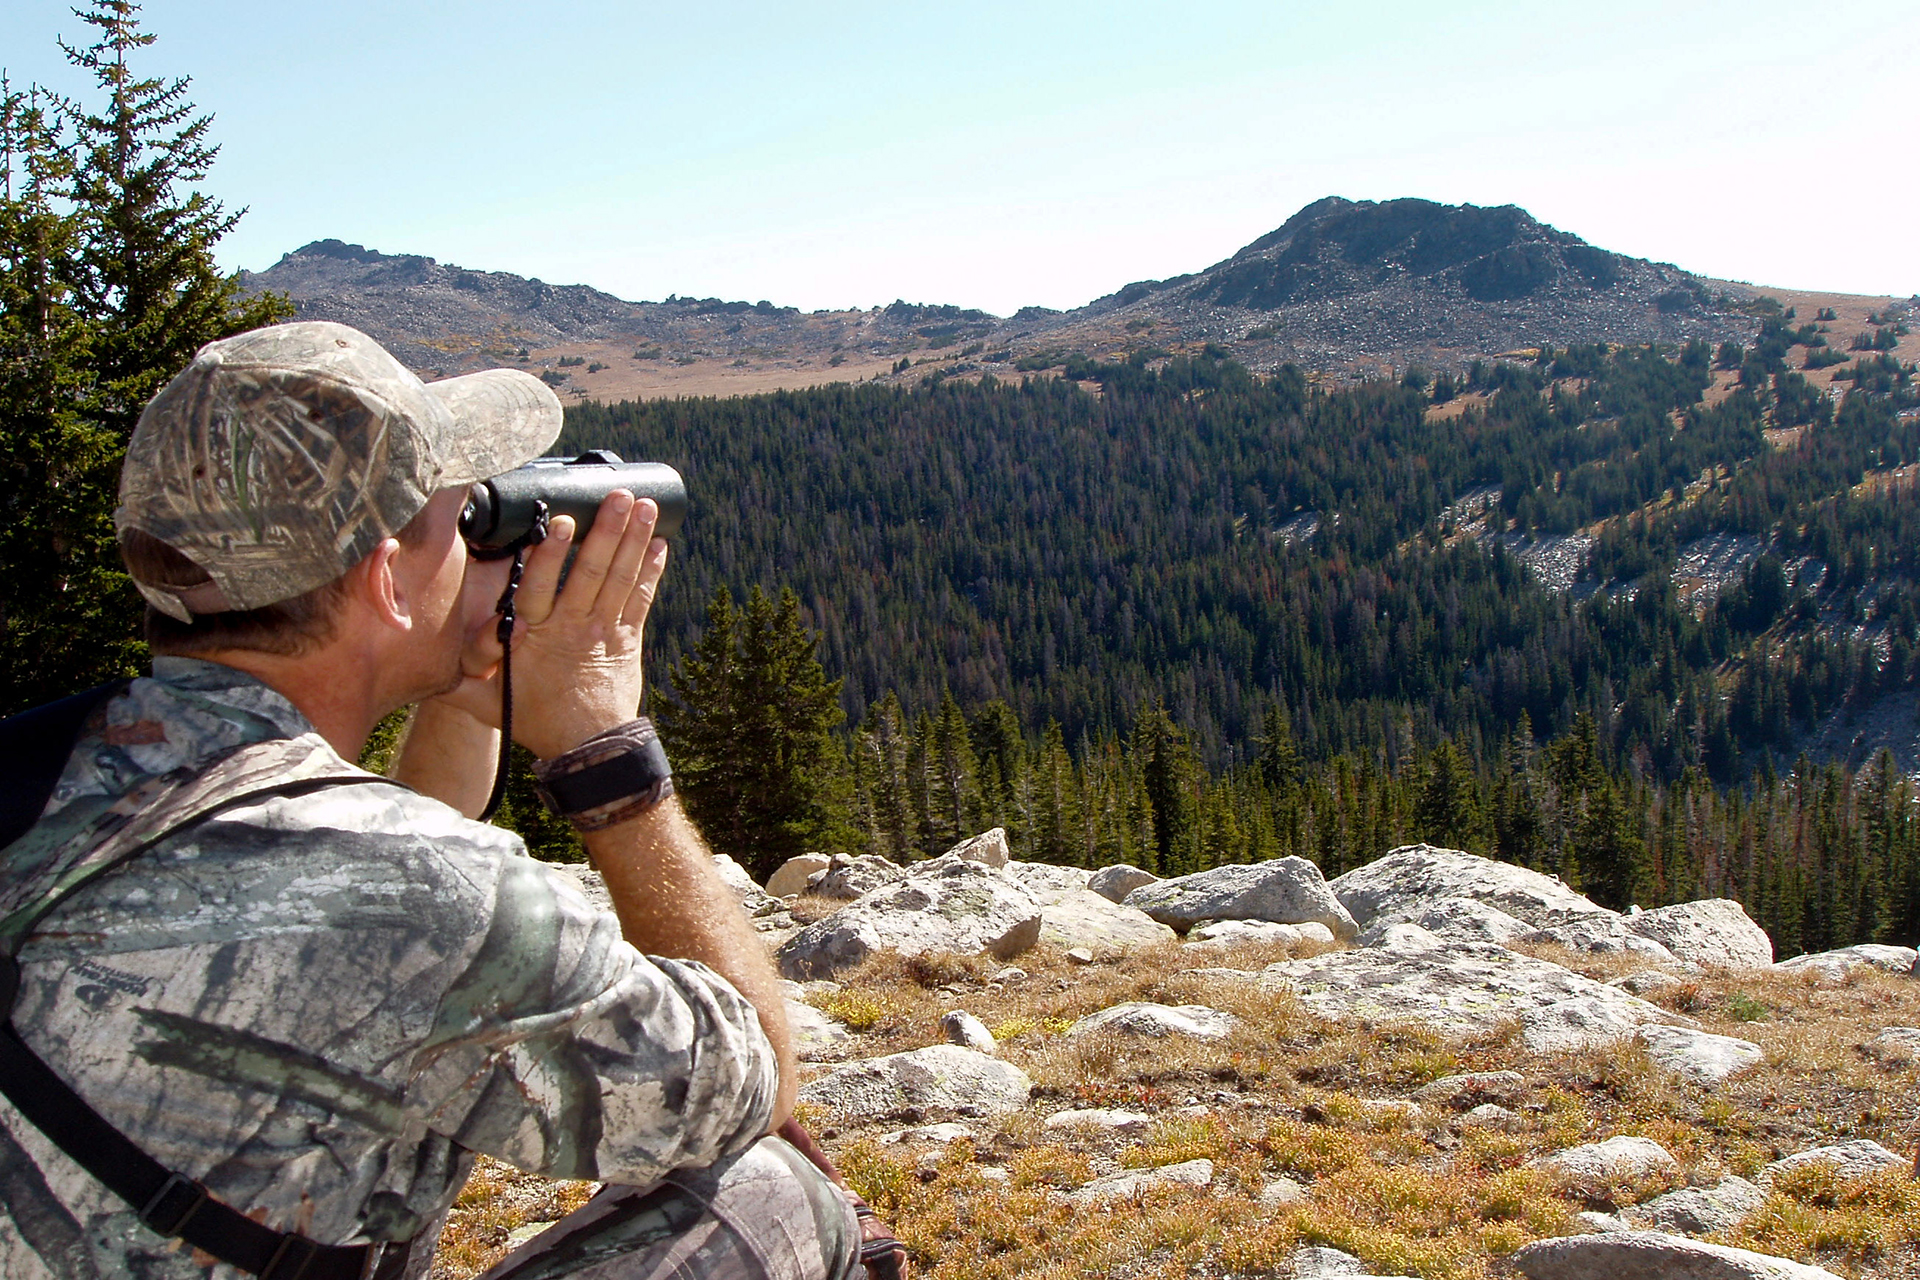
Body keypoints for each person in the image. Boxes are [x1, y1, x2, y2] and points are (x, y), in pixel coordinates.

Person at [0, 321, 884, 1280]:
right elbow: (752, 1081)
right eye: (465, 521)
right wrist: (602, 747)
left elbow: (378, 873)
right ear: (386, 577)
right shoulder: (424, 892)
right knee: (778, 1192)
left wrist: (470, 682)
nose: (480, 548)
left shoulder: (45, 765)